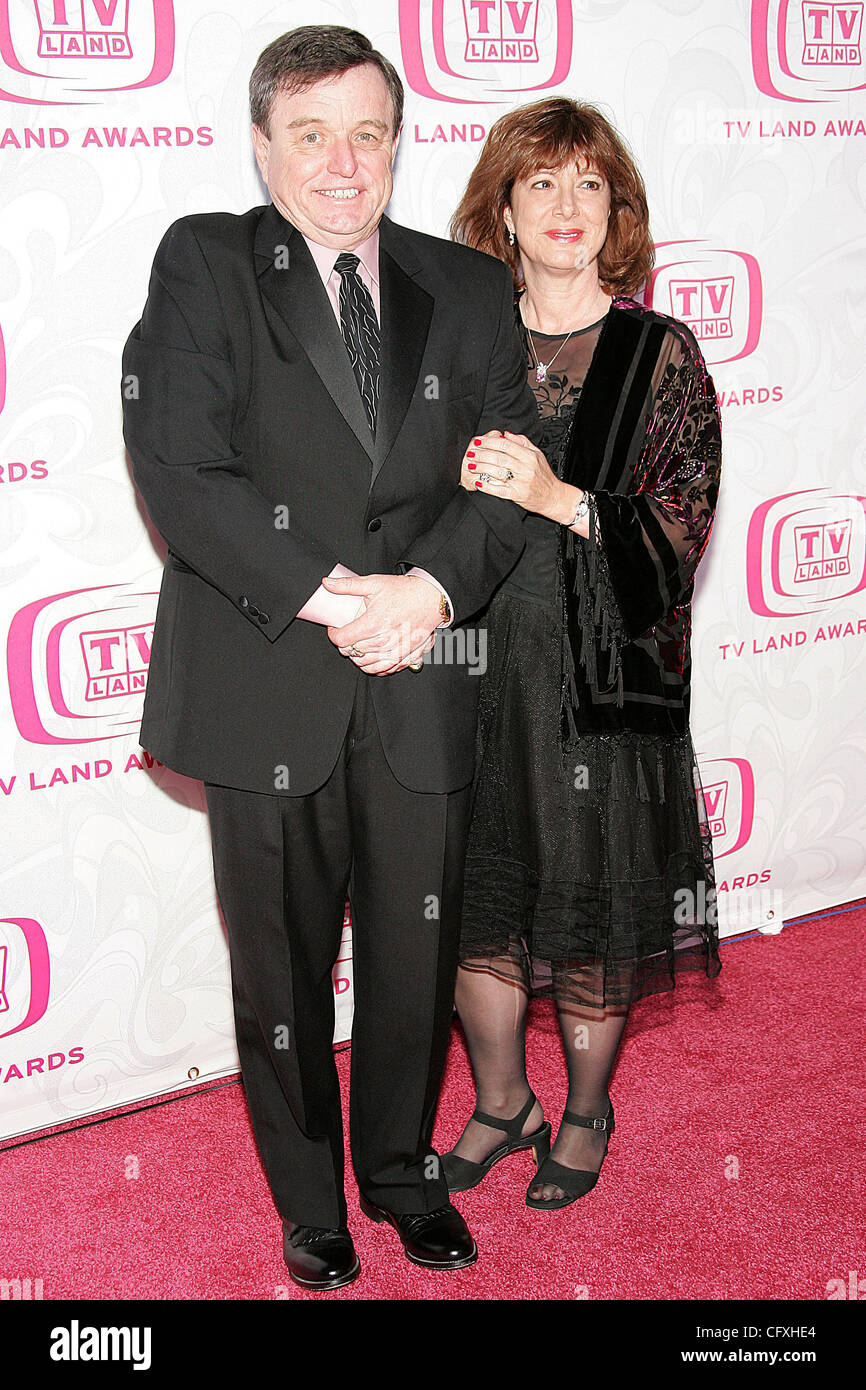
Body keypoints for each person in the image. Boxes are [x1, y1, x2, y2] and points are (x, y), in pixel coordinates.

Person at [121, 25, 540, 1289]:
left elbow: (509, 469)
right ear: (262, 144)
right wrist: (331, 595)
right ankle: (310, 1203)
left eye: (367, 131)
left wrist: (424, 589)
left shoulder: (466, 285)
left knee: (414, 957)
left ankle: (401, 1175)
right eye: (310, 132)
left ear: (399, 142)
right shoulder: (203, 262)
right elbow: (181, 470)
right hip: (267, 679)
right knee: (283, 965)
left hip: (423, 666)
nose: (342, 161)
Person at [441, 98, 722, 1209]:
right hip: (466, 672)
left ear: (616, 210)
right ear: (501, 209)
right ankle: (500, 1103)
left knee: (592, 904)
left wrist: (559, 498)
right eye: (540, 183)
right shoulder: (463, 346)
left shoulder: (659, 354)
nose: (565, 205)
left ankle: (586, 1108)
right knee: (477, 899)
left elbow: (678, 527)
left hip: (598, 684)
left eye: (587, 184)